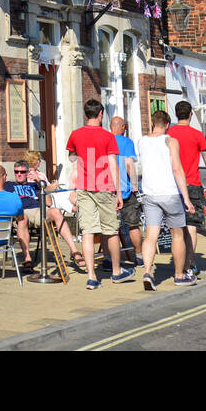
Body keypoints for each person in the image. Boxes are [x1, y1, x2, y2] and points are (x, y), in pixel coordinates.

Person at [66, 99, 133, 289]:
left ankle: (91, 276)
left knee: (87, 232)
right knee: (111, 230)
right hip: (104, 186)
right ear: (101, 114)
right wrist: (119, 192)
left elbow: (72, 156)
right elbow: (113, 164)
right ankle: (117, 271)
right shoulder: (107, 136)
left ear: (86, 114)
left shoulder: (75, 134)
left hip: (84, 188)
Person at [137, 111, 197, 289]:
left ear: (152, 123)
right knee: (177, 235)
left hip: (149, 193)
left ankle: (148, 272)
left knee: (150, 236)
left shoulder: (142, 142)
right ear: (168, 124)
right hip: (170, 192)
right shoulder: (170, 141)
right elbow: (177, 169)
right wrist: (186, 198)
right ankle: (179, 275)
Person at [167, 100, 206, 279]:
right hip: (192, 183)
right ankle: (190, 264)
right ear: (189, 115)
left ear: (176, 115)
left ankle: (178, 262)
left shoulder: (168, 133)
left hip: (172, 184)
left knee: (176, 228)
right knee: (192, 226)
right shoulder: (197, 135)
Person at [108, 116, 143, 269]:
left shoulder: (105, 141)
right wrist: (135, 185)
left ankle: (109, 259)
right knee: (133, 225)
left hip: (109, 190)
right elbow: (129, 164)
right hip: (126, 190)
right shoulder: (127, 142)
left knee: (109, 227)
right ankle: (139, 256)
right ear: (122, 127)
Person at [4, 152, 45, 270]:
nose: (19, 174)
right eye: (16, 172)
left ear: (27, 173)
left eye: (22, 172)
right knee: (23, 218)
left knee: (55, 213)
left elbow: (48, 203)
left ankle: (74, 253)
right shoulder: (8, 185)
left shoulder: (35, 186)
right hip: (21, 213)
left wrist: (40, 182)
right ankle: (27, 259)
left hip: (37, 211)